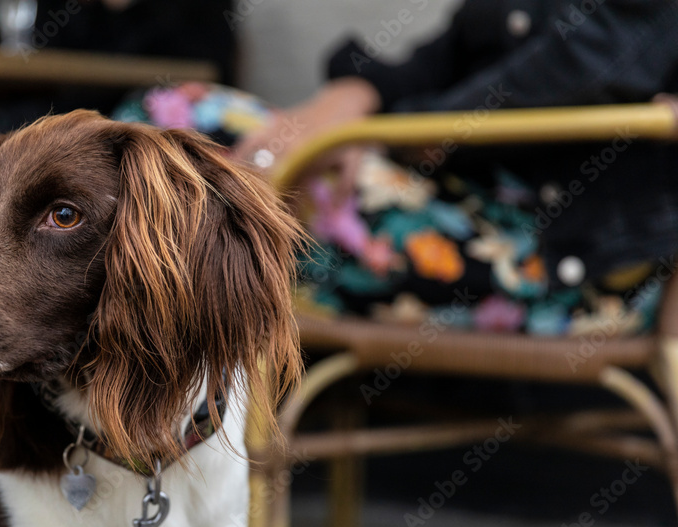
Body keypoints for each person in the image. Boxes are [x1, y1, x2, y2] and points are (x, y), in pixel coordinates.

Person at [121, 0, 678, 336]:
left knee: (172, 144)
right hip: (456, 207)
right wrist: (349, 97)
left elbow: (578, 72)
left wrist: (386, 137)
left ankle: (132, 453)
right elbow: (444, 59)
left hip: (558, 261)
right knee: (170, 144)